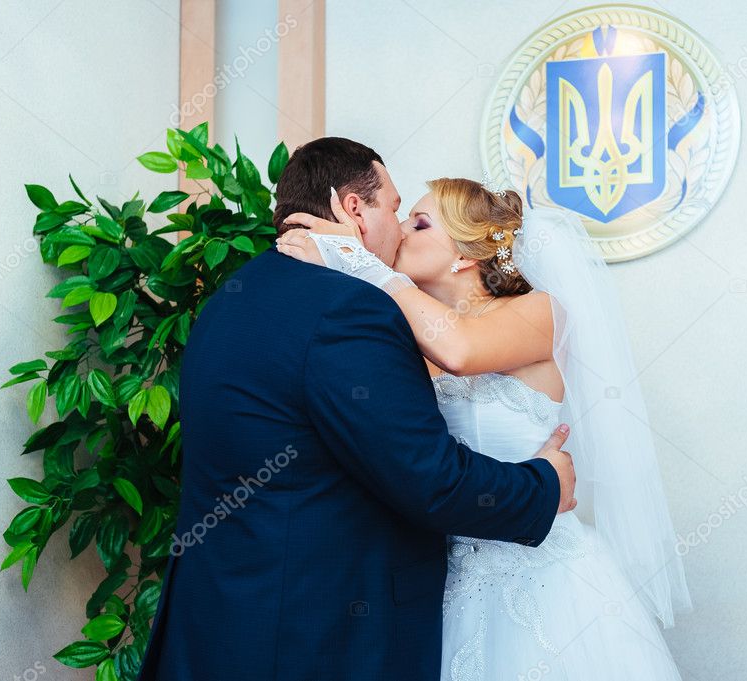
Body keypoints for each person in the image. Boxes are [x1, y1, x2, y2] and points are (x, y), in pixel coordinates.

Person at [135, 137, 577, 681]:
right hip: (310, 633)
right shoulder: (350, 311)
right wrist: (544, 485)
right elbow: (429, 478)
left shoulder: (233, 297)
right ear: (353, 209)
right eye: (397, 211)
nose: (397, 231)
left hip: (225, 618)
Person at [276, 176, 693, 679]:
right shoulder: (402, 333)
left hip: (542, 576)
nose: (401, 230)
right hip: (443, 580)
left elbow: (461, 350)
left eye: (420, 222)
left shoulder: (539, 312)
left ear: (465, 255)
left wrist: (362, 262)